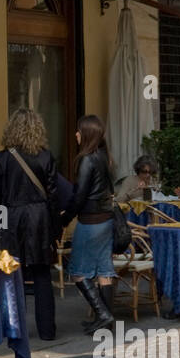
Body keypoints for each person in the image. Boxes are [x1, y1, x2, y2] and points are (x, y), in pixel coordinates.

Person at [0, 108, 59, 341]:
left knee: (11, 275)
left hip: (11, 217)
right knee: (41, 275)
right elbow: (52, 196)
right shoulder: (46, 156)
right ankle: (47, 330)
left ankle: (13, 330)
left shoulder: (2, 158)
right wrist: (54, 230)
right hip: (39, 218)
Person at [63, 115, 118, 334]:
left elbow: (80, 195)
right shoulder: (104, 157)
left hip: (90, 222)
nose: (76, 134)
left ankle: (103, 314)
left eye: (78, 131)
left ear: (86, 134)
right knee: (104, 271)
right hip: (105, 220)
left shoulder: (86, 159)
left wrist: (65, 217)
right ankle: (105, 320)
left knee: (78, 271)